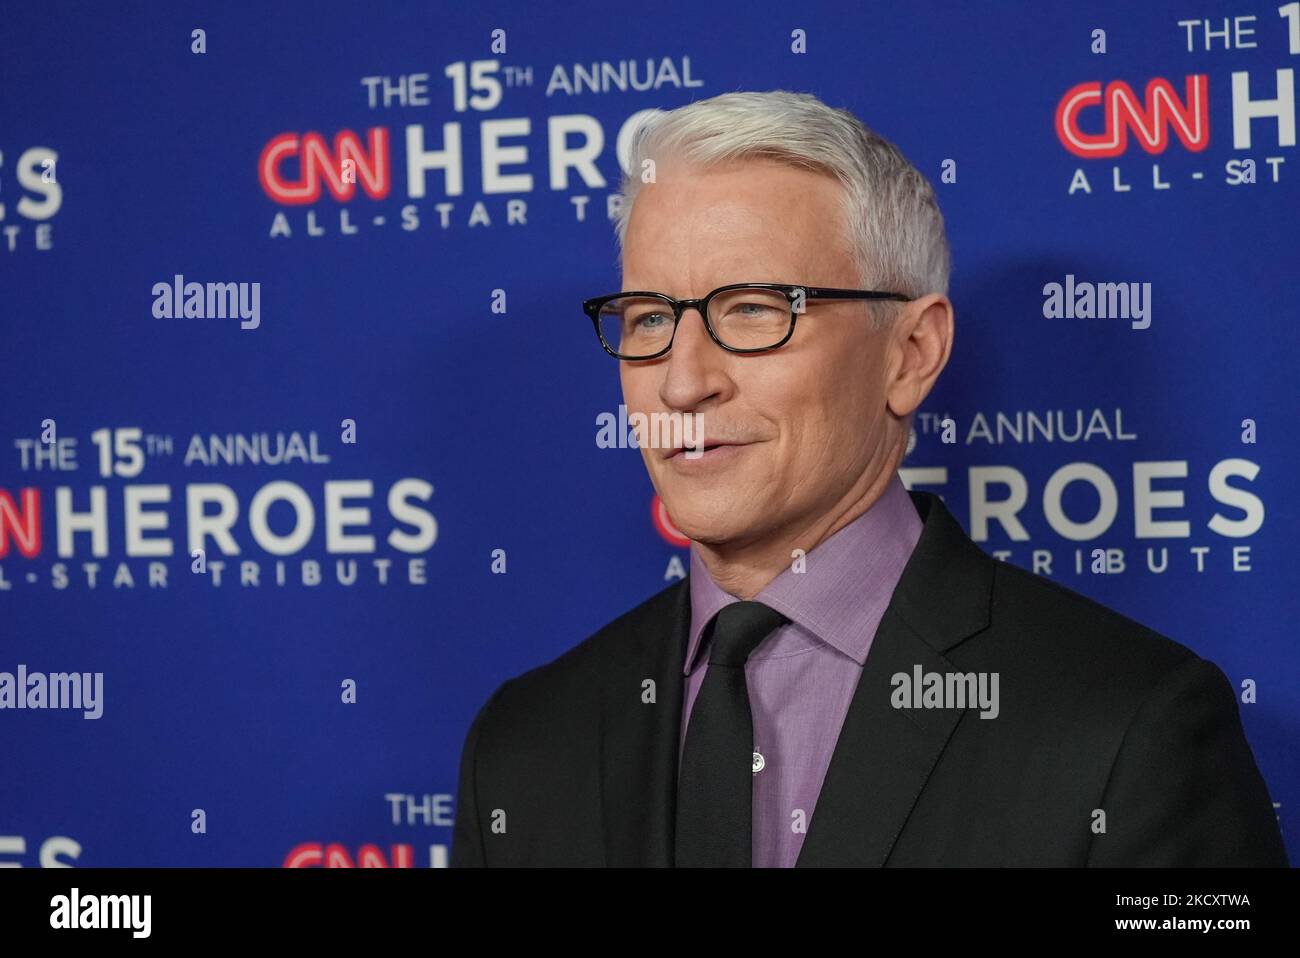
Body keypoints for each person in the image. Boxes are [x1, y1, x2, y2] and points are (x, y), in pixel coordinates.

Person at [451, 90, 1287, 867]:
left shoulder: (1133, 728)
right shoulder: (524, 745)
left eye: (753, 309)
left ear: (910, 354)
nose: (681, 381)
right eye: (650, 319)